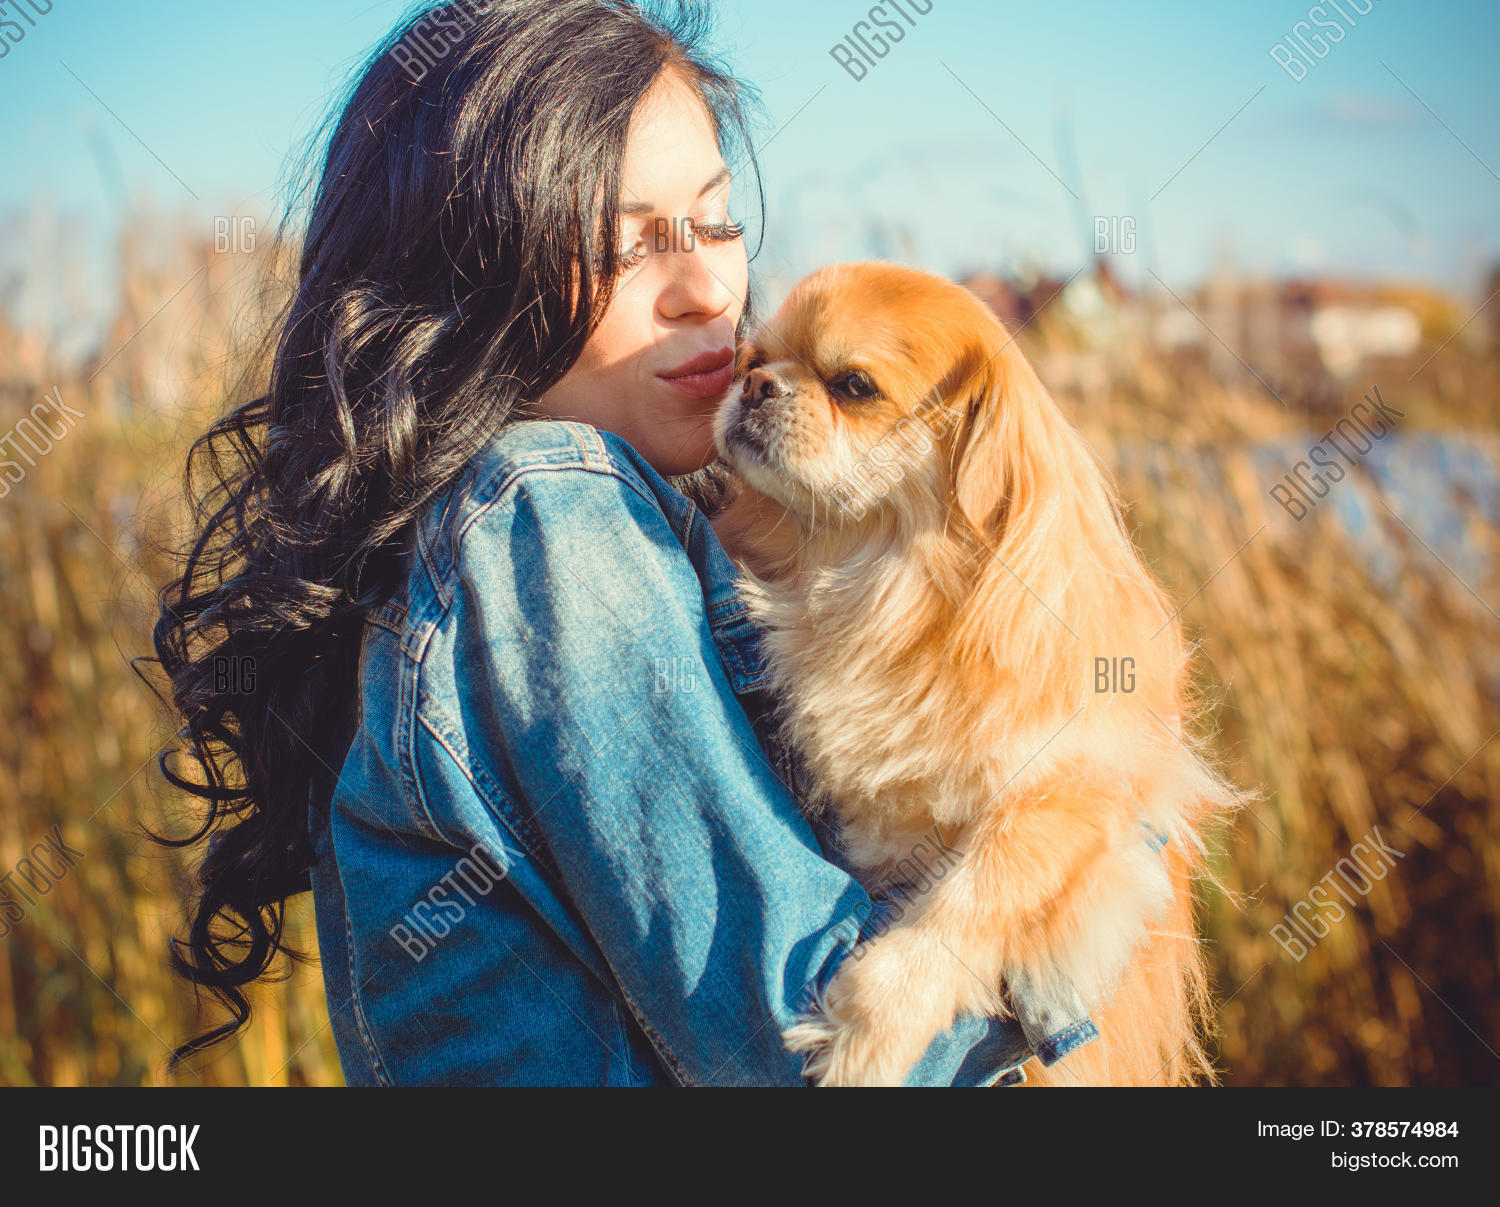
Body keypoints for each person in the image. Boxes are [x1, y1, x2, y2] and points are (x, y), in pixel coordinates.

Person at [153, 0, 1071, 1086]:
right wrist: (1098, 834)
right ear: (468, 280)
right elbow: (826, 1048)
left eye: (717, 220)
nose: (708, 290)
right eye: (624, 245)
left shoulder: (577, 534)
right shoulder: (542, 511)